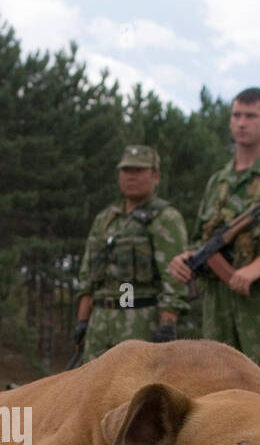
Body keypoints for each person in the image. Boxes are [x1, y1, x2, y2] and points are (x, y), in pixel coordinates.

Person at [169, 87, 260, 399]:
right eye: (236, 115)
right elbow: (201, 238)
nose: (242, 123)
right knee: (216, 383)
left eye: (251, 116)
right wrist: (185, 257)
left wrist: (255, 268)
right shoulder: (219, 181)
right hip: (217, 302)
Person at [74, 145, 190, 361]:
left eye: (138, 171)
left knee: (133, 390)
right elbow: (87, 276)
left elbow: (174, 280)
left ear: (155, 176)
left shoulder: (165, 218)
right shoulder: (105, 219)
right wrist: (82, 322)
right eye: (126, 171)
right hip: (99, 323)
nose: (131, 177)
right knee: (93, 392)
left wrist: (167, 326)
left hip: (140, 322)